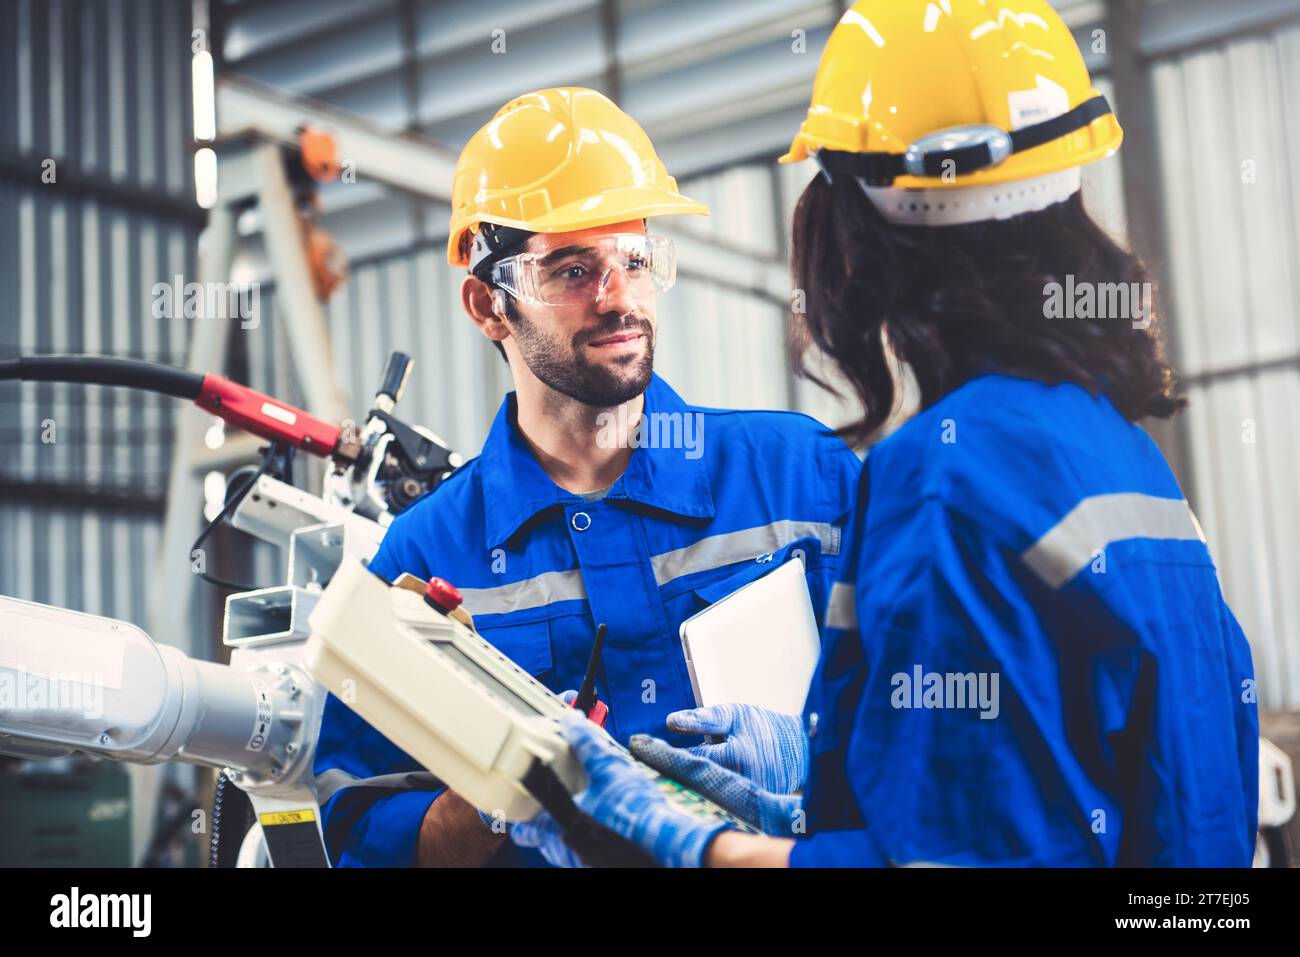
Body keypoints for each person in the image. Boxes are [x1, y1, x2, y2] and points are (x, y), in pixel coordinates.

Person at [514, 0, 1259, 868]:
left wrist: (701, 849)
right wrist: (832, 795)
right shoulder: (1117, 452)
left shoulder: (946, 480)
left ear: (862, 230)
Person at [311, 87, 862, 866]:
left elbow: (935, 743)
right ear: (488, 306)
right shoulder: (424, 556)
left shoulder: (803, 479)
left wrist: (814, 752)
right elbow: (356, 831)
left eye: (635, 261)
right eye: (572, 269)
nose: (619, 299)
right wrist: (498, 798)